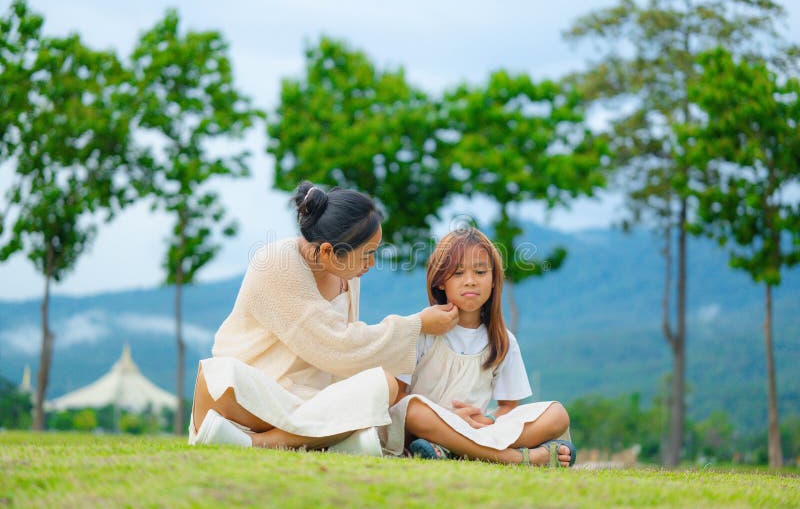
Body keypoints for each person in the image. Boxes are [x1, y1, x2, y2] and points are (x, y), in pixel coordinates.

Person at [189, 181, 459, 453]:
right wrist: (418, 324)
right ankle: (295, 440)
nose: (372, 264)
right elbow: (337, 347)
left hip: (311, 401)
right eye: (367, 254)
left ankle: (267, 443)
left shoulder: (346, 274)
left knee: (383, 385)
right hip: (257, 393)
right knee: (225, 375)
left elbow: (349, 358)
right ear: (329, 251)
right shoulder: (276, 264)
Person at [382, 227, 576, 467]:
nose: (471, 280)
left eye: (481, 271)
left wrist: (485, 420)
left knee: (556, 415)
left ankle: (452, 450)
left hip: (478, 429)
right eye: (458, 273)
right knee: (411, 410)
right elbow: (396, 397)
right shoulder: (422, 330)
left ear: (494, 280)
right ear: (441, 281)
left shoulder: (503, 340)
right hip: (424, 429)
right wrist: (449, 419)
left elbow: (508, 407)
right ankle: (516, 458)